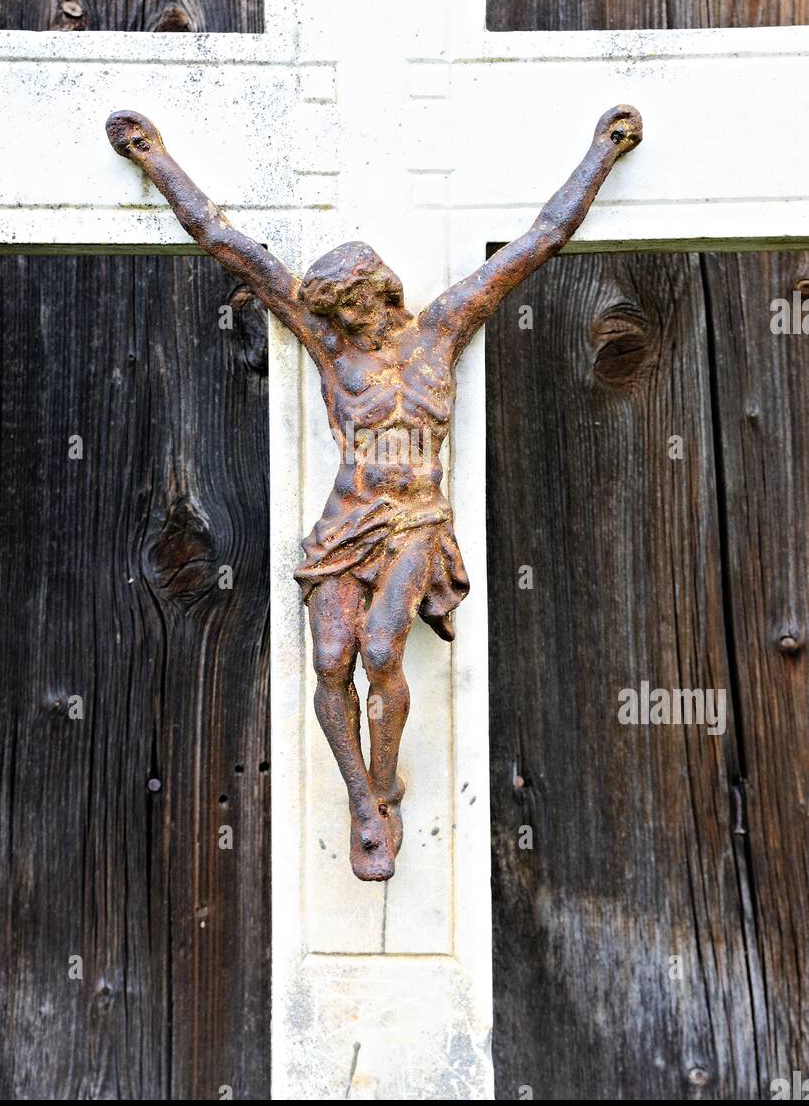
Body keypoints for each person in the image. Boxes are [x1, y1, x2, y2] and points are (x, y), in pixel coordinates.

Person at [107, 102, 642, 880]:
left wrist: (603, 151)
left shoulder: (441, 331)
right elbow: (227, 244)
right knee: (329, 657)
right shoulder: (330, 350)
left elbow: (539, 241)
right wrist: (153, 156)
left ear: (383, 290)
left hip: (416, 517)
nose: (350, 319)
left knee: (382, 645)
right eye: (335, 311)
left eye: (357, 302)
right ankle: (362, 798)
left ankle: (382, 787)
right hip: (346, 521)